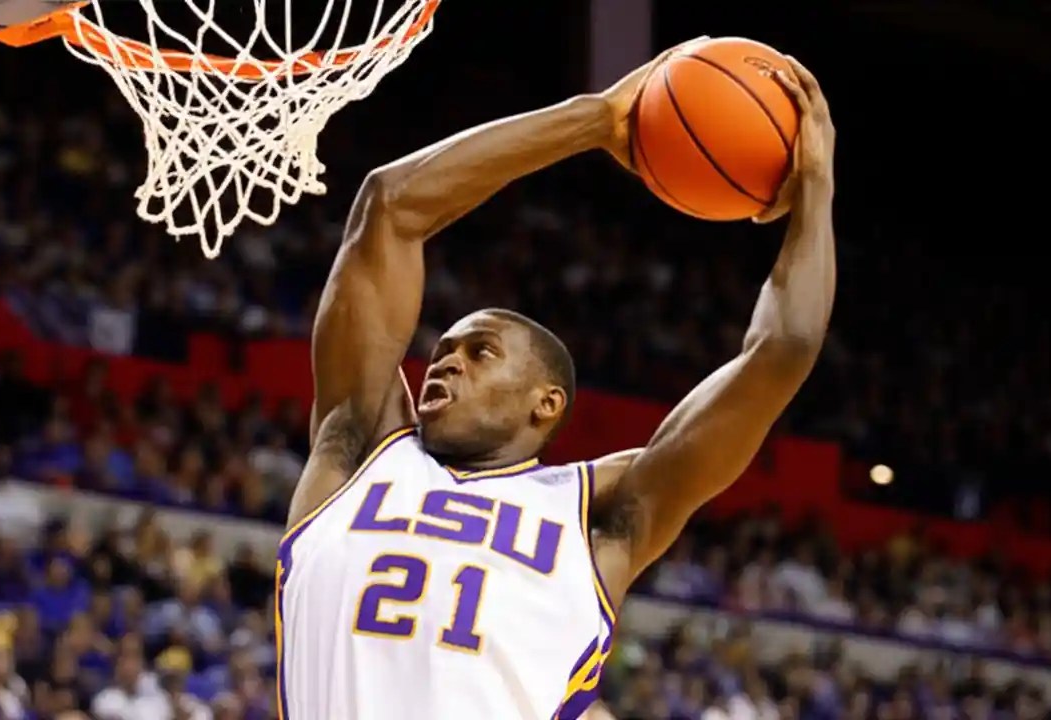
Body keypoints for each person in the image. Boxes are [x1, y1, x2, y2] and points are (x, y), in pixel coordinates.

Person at [276, 37, 837, 720]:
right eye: (445, 347)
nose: (446, 359)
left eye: (480, 351)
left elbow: (784, 349)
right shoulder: (361, 448)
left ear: (548, 403)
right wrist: (597, 119)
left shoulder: (602, 515)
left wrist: (815, 189)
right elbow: (388, 205)